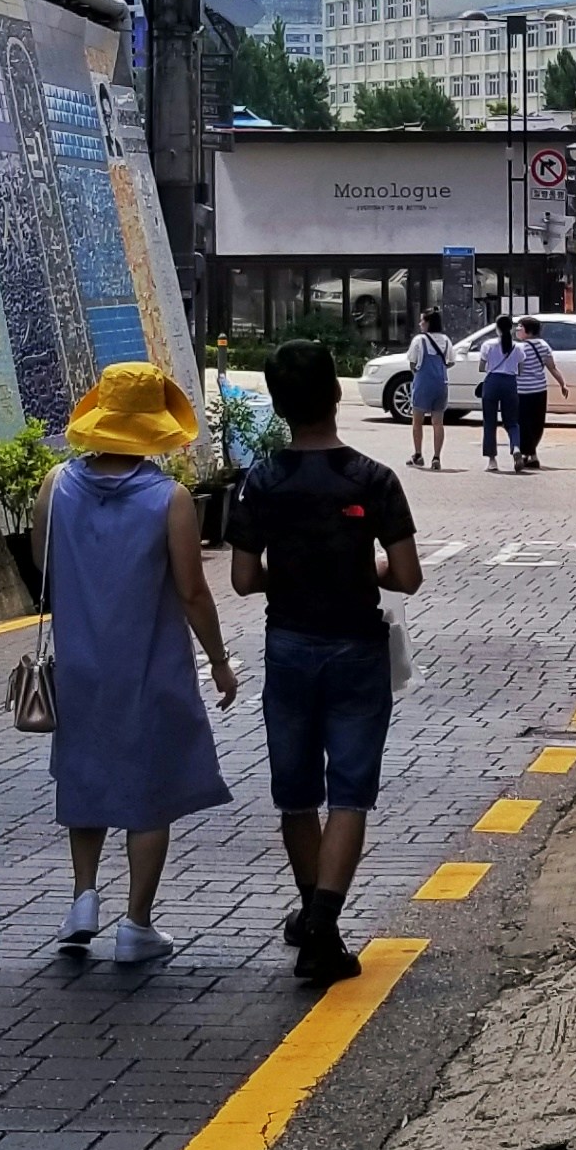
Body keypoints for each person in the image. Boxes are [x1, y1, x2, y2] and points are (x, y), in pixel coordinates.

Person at [227, 338, 422, 986]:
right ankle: (320, 929)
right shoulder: (373, 478)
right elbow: (408, 576)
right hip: (356, 649)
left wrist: (292, 574)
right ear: (337, 394)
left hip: (287, 646)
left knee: (296, 796)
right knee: (350, 794)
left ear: (279, 404)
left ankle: (315, 918)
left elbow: (243, 580)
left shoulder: (261, 481)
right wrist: (363, 569)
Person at [42, 361, 237, 972]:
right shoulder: (169, 499)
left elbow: (43, 566)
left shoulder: (56, 486)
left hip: (79, 665)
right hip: (150, 666)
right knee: (149, 793)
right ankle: (136, 924)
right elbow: (192, 592)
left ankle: (82, 899)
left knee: (86, 778)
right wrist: (220, 662)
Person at [475, 311, 526, 470]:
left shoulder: (488, 345)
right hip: (509, 383)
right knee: (512, 421)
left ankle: (492, 460)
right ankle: (516, 448)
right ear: (511, 328)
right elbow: (520, 370)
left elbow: (481, 367)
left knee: (489, 422)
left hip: (492, 382)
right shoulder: (518, 347)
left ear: (497, 328)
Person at [404, 312, 454, 472]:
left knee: (417, 421)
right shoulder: (446, 340)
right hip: (441, 383)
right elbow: (451, 361)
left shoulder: (419, 340)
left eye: (422, 321)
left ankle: (418, 454)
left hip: (423, 383)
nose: (420, 324)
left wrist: (417, 371)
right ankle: (436, 457)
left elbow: (412, 362)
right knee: (438, 423)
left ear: (427, 323)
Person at [510, 315, 555, 470]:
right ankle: (531, 454)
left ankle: (528, 453)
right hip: (540, 390)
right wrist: (562, 383)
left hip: (522, 391)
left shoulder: (519, 348)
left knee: (522, 423)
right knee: (537, 423)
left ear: (528, 331)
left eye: (520, 327)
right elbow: (552, 367)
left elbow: (515, 369)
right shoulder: (544, 345)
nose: (517, 330)